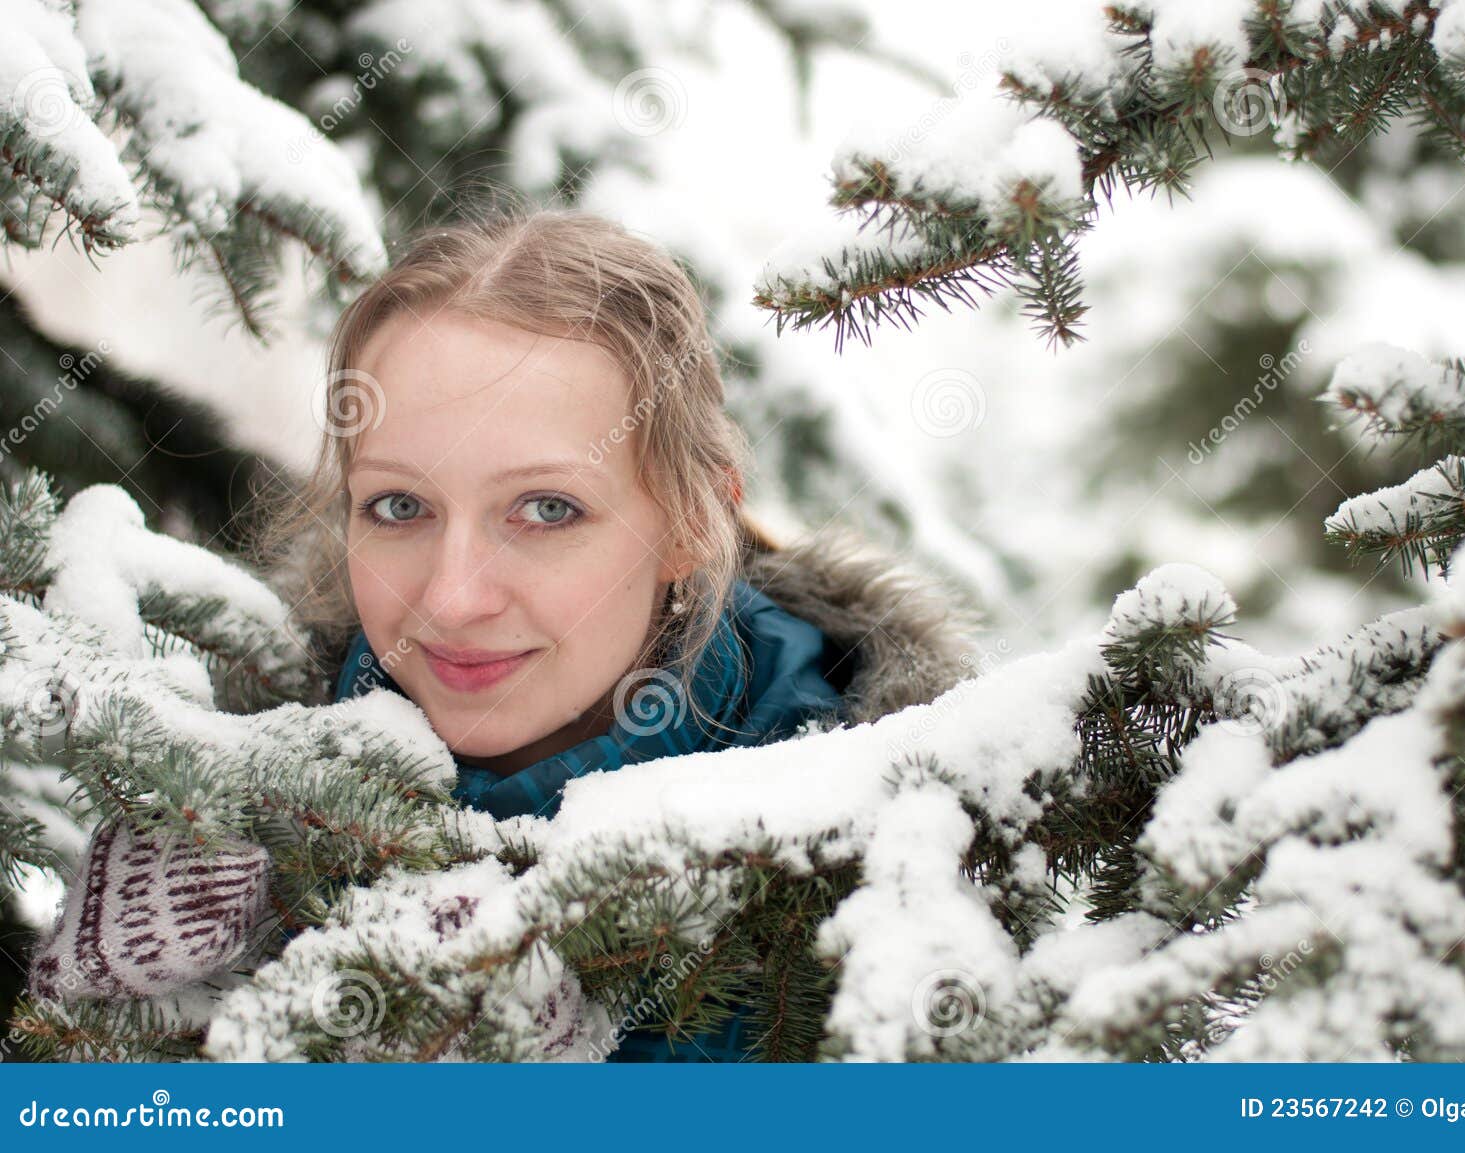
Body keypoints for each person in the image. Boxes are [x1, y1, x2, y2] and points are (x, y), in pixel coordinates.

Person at [249, 206, 981, 1061]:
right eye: (399, 506)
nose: (450, 600)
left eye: (548, 509)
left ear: (689, 524)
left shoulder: (875, 886)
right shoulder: (235, 791)